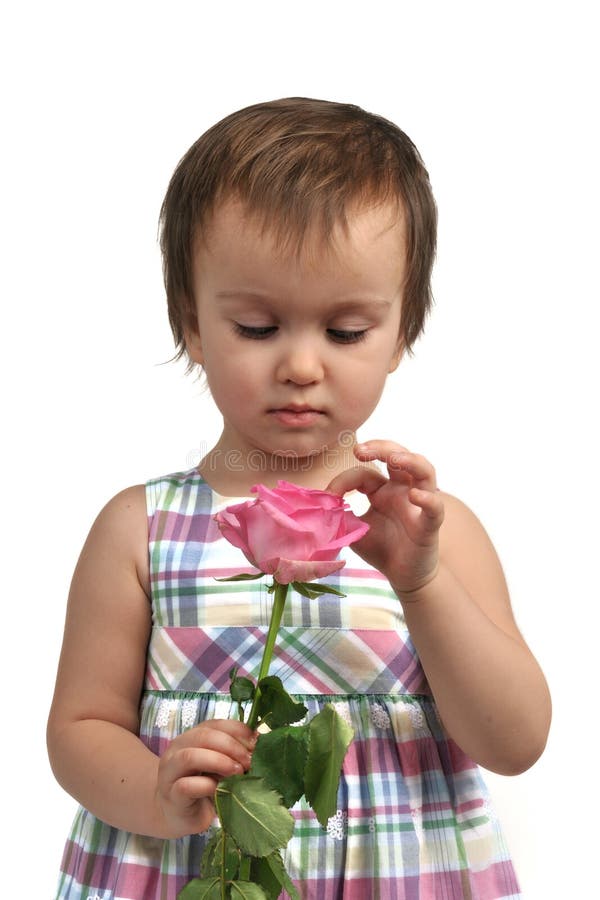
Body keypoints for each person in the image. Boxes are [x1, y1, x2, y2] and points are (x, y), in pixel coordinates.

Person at [48, 97, 551, 900]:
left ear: (401, 332)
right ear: (193, 324)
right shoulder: (140, 530)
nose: (302, 366)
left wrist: (422, 584)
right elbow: (79, 731)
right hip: (193, 872)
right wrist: (154, 791)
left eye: (346, 332)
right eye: (256, 326)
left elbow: (516, 740)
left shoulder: (432, 538)